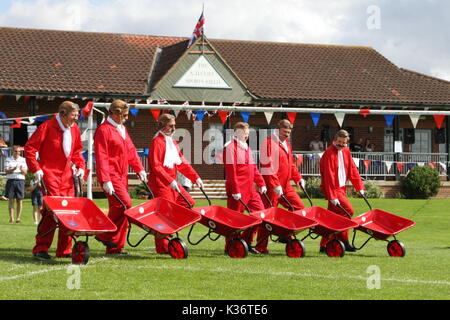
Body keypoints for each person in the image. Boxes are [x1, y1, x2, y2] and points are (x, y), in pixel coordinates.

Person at [25, 101, 86, 260]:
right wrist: (36, 168)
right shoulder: (47, 127)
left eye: (77, 115)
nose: (76, 118)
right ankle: (41, 248)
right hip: (50, 176)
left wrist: (80, 166)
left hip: (67, 178)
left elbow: (77, 152)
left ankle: (64, 250)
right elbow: (30, 148)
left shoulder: (74, 129)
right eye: (73, 115)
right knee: (51, 212)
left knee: (67, 213)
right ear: (63, 114)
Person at [94, 99, 147, 255]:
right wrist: (105, 179)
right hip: (111, 175)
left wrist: (140, 169)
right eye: (124, 115)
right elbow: (101, 156)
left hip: (121, 175)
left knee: (121, 209)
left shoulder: (122, 129)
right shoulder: (103, 130)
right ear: (115, 113)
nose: (126, 118)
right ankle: (104, 234)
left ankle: (115, 247)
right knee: (126, 204)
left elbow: (131, 151)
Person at [148, 113, 204, 254]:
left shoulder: (172, 142)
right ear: (162, 125)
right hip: (161, 184)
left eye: (174, 125)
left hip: (172, 183)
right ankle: (163, 247)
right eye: (171, 125)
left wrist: (195, 177)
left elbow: (182, 163)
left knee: (189, 202)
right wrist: (170, 180)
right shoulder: (157, 142)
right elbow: (156, 166)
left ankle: (171, 228)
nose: (174, 128)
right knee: (164, 214)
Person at [223, 122, 267, 254]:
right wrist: (235, 190)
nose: (246, 137)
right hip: (238, 191)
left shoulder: (247, 148)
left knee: (260, 215)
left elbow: (253, 168)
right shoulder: (230, 147)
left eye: (248, 134)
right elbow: (231, 172)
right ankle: (230, 246)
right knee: (235, 220)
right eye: (244, 134)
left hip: (250, 190)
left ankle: (246, 241)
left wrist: (261, 183)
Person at [319, 129, 365, 253]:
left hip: (341, 188)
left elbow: (352, 170)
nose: (341, 145)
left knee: (331, 217)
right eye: (339, 142)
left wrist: (359, 186)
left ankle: (324, 244)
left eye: (343, 143)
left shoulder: (346, 151)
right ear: (334, 140)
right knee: (348, 211)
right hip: (333, 189)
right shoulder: (329, 153)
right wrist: (332, 195)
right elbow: (328, 176)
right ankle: (343, 240)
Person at [4, 146, 27, 223]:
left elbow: (25, 172)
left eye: (19, 151)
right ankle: (11, 218)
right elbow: (6, 171)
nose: (17, 153)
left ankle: (18, 218)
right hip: (11, 180)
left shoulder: (23, 160)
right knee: (11, 200)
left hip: (20, 180)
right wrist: (14, 169)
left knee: (20, 200)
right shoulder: (8, 159)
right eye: (16, 151)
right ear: (13, 151)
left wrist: (21, 169)